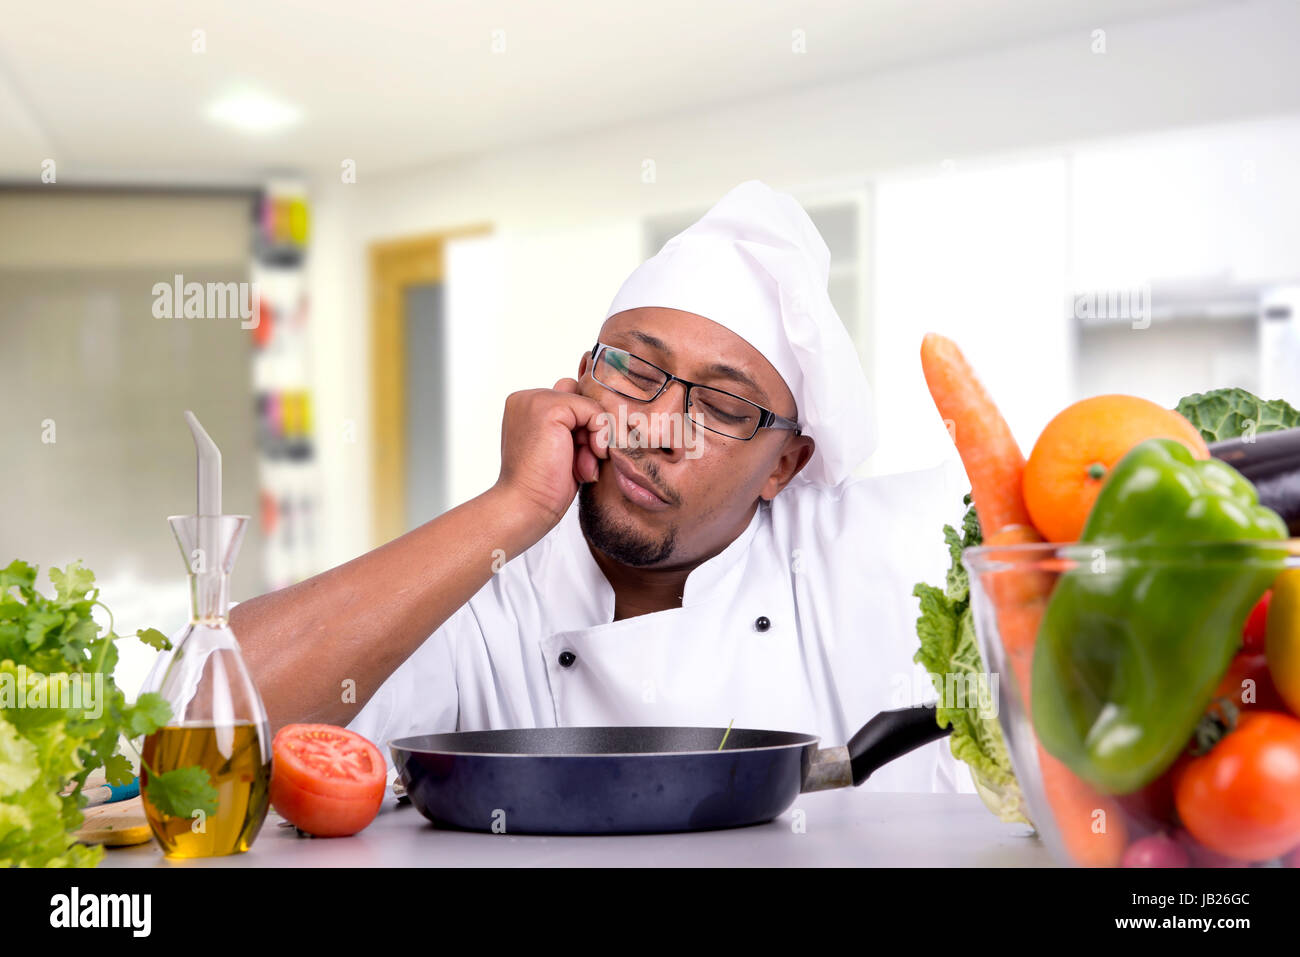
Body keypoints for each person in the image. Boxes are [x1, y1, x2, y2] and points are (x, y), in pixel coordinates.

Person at [233, 180, 969, 792]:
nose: (657, 427)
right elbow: (202, 715)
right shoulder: (488, 589)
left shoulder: (867, 557)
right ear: (583, 379)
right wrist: (510, 505)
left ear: (785, 465)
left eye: (721, 406)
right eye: (634, 371)